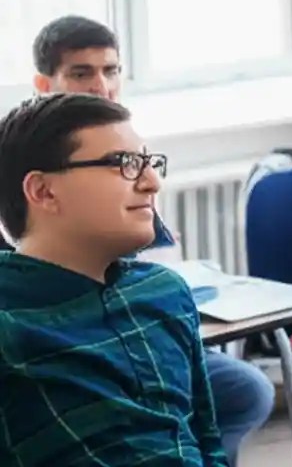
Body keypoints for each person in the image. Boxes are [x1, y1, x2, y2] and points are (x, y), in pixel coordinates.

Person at [30, 15, 274, 464]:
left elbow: (158, 257)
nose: (101, 85)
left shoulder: (125, 145)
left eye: (111, 70)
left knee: (245, 391)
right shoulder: (27, 155)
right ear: (44, 83)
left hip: (135, 315)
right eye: (82, 73)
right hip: (68, 332)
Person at [0, 93, 226, 466]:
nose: (152, 182)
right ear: (43, 191)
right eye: (124, 163)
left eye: (149, 162)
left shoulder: (165, 291)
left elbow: (207, 439)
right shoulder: (10, 318)